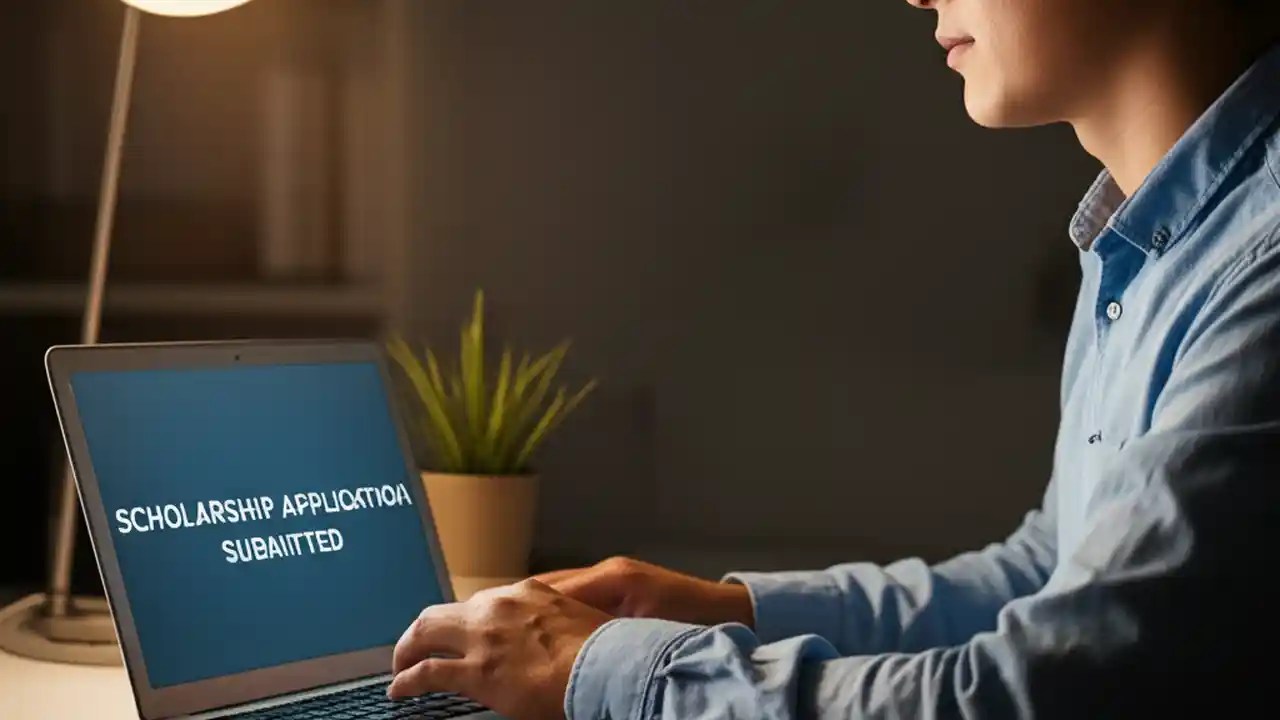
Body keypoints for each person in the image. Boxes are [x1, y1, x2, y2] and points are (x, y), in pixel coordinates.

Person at [387, 0, 1280, 717]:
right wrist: (731, 610)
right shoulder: (1147, 244)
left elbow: (1052, 692)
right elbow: (1046, 573)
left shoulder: (1262, 268)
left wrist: (615, 673)